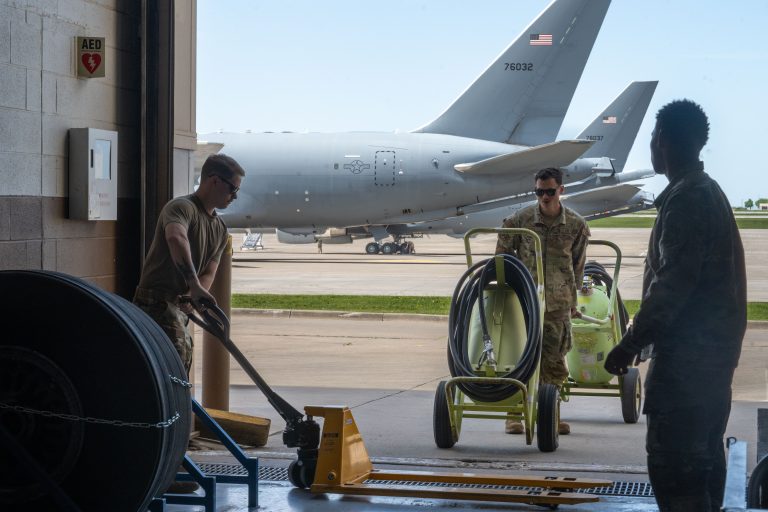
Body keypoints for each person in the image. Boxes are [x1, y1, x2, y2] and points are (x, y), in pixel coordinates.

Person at [604, 100, 746, 512]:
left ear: (662, 140)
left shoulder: (687, 199)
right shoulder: (707, 191)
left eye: (652, 136)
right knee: (703, 468)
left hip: (686, 368)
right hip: (710, 365)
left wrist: (630, 344)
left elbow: (672, 285)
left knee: (677, 473)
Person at [496, 167, 589, 435]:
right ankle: (514, 414)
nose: (544, 197)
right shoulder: (521, 219)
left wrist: (572, 299)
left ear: (561, 190)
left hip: (558, 303)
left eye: (550, 191)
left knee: (554, 360)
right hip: (524, 302)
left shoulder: (575, 224)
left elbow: (578, 265)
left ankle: (550, 414)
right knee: (517, 357)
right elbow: (502, 251)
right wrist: (506, 286)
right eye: (539, 192)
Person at [134, 153, 245, 377]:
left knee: (180, 364)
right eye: (233, 188)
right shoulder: (181, 208)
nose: (234, 196)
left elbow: (210, 271)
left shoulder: (220, 229)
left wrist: (195, 294)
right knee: (171, 370)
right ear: (214, 180)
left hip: (181, 306)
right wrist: (194, 285)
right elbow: (176, 237)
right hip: (155, 301)